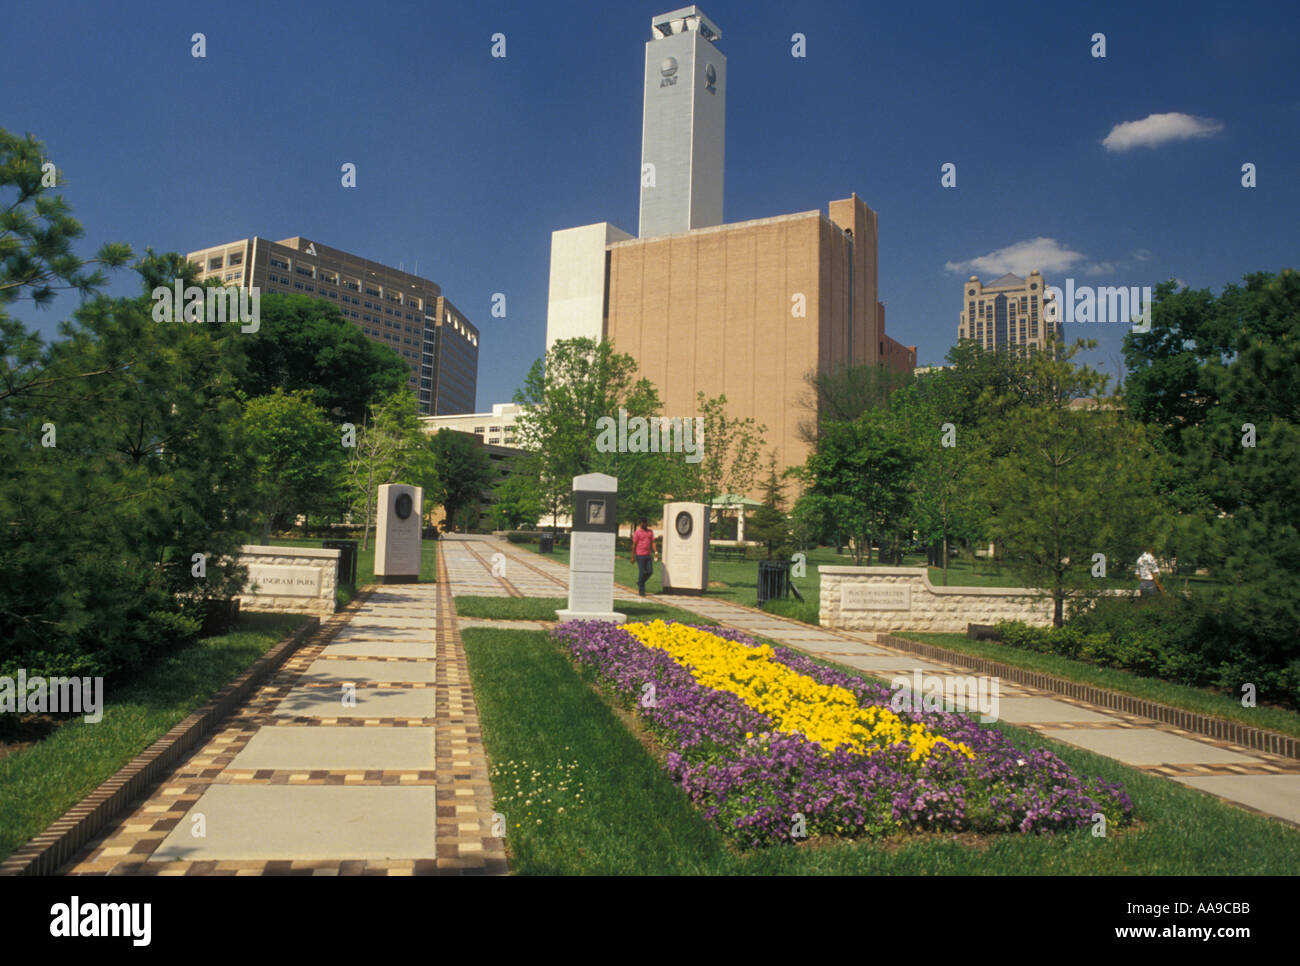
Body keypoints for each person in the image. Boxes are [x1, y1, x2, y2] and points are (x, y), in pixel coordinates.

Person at [631, 519, 657, 597]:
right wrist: (633, 556)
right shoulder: (637, 532)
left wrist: (656, 552)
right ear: (640, 523)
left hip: (648, 555)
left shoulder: (650, 532)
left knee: (650, 571)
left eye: (645, 522)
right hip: (640, 555)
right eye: (643, 523)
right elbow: (634, 544)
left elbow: (653, 542)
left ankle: (640, 582)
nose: (644, 524)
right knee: (642, 572)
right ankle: (641, 591)